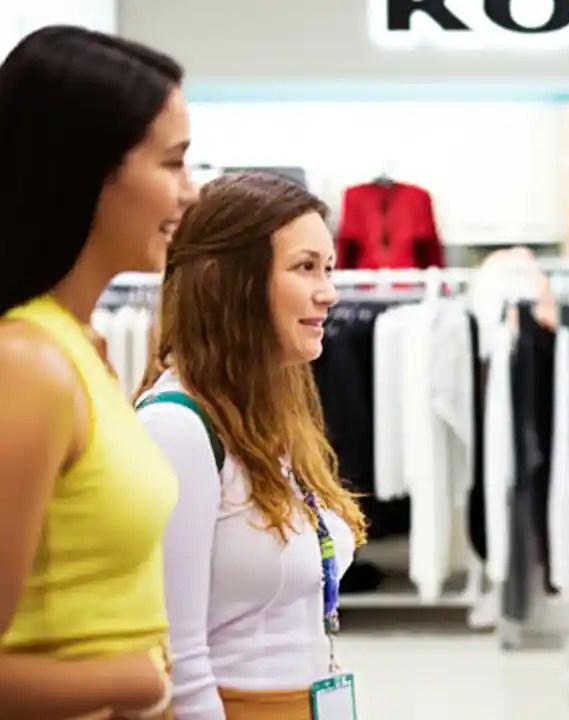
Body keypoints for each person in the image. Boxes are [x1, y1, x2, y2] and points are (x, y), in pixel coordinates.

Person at [0, 25, 197, 720]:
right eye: (173, 164)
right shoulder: (28, 365)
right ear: (89, 169)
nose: (191, 193)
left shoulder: (82, 348)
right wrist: (138, 681)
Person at [134, 172, 368, 718]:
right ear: (227, 280)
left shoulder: (271, 420)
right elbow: (178, 656)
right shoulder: (178, 429)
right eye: (305, 267)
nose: (328, 291)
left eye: (328, 268)